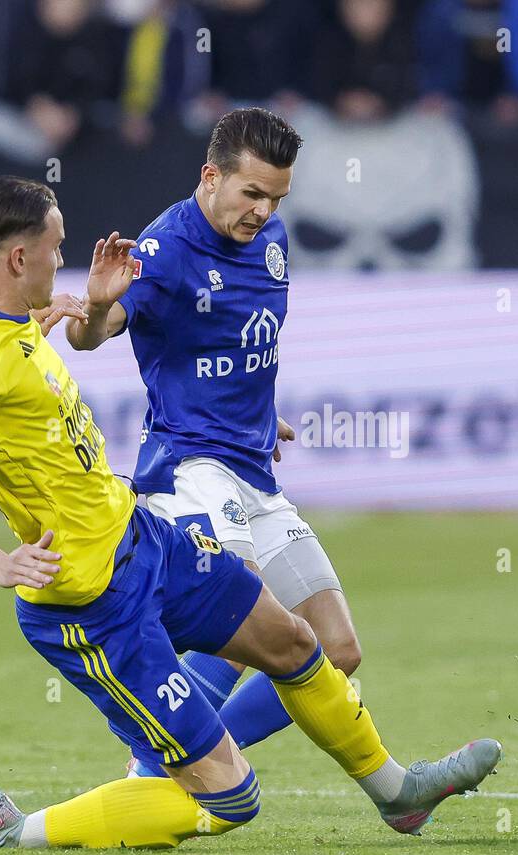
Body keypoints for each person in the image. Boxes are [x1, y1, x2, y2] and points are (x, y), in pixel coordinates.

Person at [0, 175, 500, 849]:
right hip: (92, 601)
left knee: (295, 645)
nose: (61, 259)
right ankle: (11, 832)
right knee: (229, 800)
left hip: (144, 539)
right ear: (19, 258)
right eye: (56, 246)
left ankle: (399, 795)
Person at [62, 107, 377, 776]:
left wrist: (265, 418)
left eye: (276, 197)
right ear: (212, 176)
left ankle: (174, 761)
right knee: (241, 617)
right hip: (189, 465)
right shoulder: (167, 249)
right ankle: (175, 766)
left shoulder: (273, 241)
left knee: (337, 649)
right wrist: (93, 306)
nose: (263, 211)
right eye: (252, 193)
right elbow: (89, 335)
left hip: (252, 465)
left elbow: (243, 344)